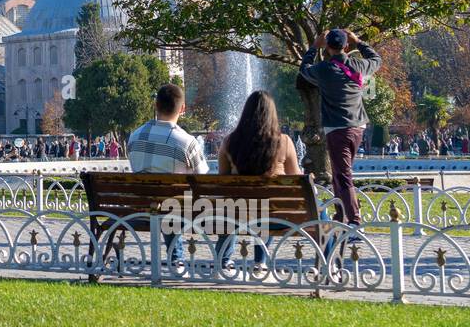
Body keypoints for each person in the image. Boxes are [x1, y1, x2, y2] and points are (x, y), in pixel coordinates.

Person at [299, 28, 381, 227]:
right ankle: (340, 216)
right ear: (346, 46)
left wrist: (313, 47)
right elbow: (376, 59)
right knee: (339, 172)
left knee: (343, 174)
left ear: (327, 47)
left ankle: (353, 221)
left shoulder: (324, 69)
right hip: (358, 127)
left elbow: (304, 68)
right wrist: (359, 41)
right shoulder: (359, 65)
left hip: (337, 129)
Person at [127, 84, 209, 268]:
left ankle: (176, 258)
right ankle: (178, 260)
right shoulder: (187, 142)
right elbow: (203, 178)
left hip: (140, 207)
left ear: (156, 105)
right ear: (182, 109)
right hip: (175, 210)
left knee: (165, 200)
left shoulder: (134, 137)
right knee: (173, 202)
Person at [218, 91, 300, 263]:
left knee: (234, 206)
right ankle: (329, 268)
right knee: (321, 216)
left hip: (238, 215)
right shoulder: (283, 142)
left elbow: (222, 180)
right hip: (275, 217)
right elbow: (296, 178)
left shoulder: (229, 142)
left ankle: (223, 261)